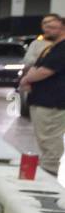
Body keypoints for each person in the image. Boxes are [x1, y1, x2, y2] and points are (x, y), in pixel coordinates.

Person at [18, 13, 65, 175]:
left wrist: (26, 80)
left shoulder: (62, 48)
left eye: (52, 26)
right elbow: (34, 65)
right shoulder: (50, 47)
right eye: (45, 25)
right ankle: (46, 168)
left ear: (62, 27)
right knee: (44, 138)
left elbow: (46, 71)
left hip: (52, 101)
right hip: (42, 99)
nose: (47, 29)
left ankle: (50, 171)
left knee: (50, 138)